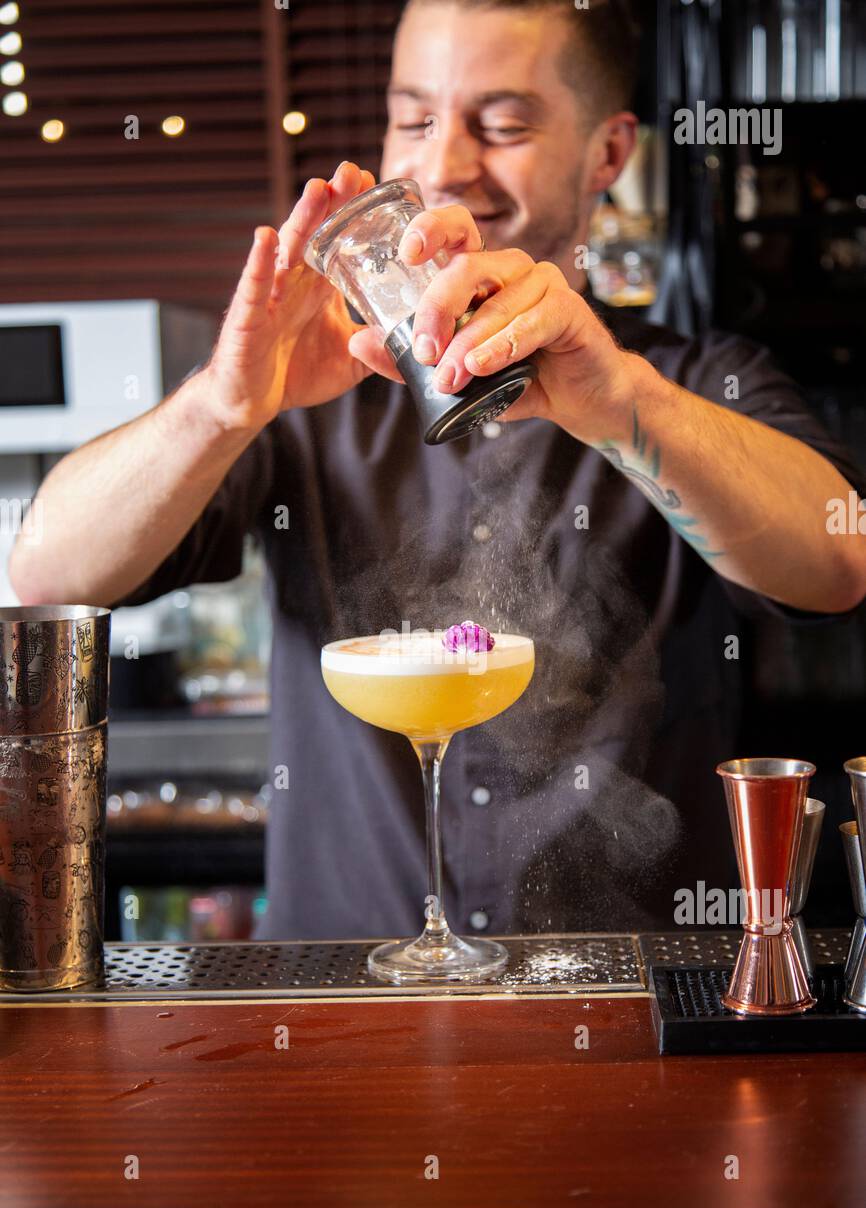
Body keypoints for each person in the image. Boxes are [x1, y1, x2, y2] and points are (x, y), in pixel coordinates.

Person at [11, 0, 866, 939]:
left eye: (502, 126)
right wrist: (221, 405)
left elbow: (841, 559)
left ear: (609, 154)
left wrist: (624, 404)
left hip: (637, 1014)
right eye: (414, 118)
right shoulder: (304, 392)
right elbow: (48, 576)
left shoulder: (693, 381)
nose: (444, 165)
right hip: (341, 1018)